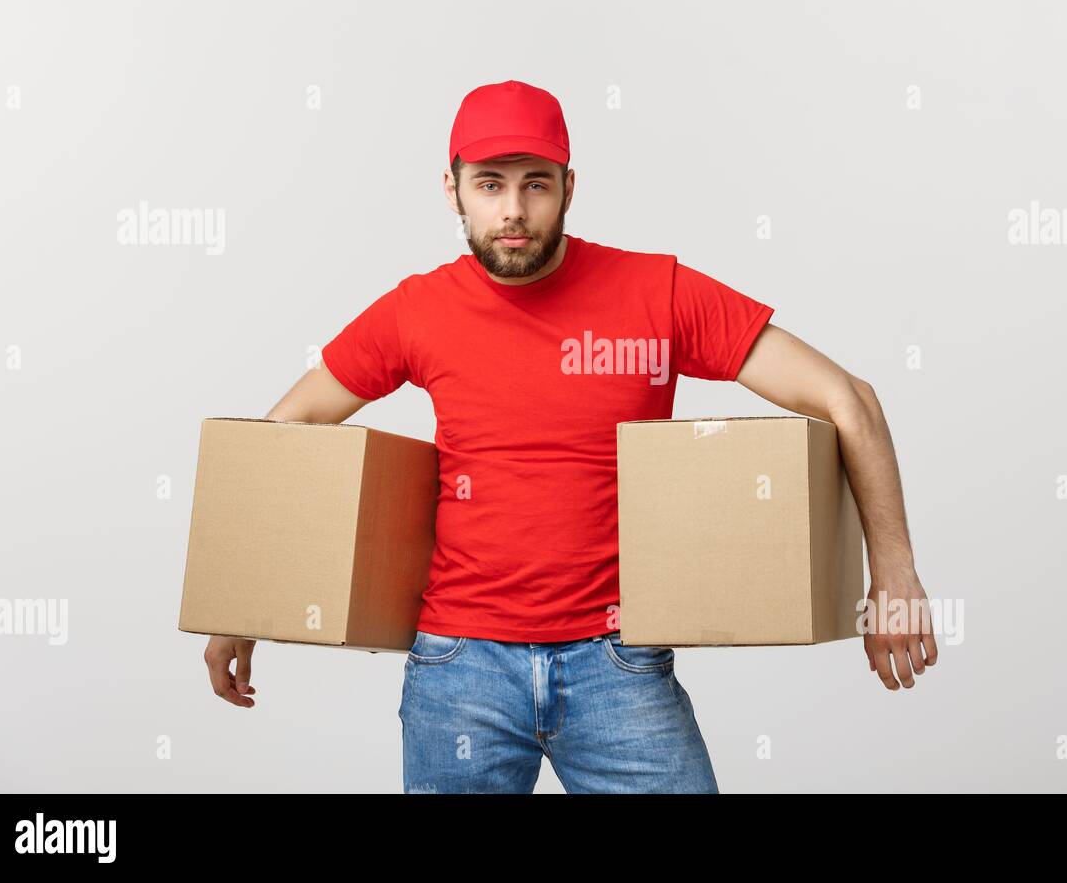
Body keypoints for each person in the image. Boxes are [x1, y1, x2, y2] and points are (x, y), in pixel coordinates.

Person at [203, 79, 937, 793]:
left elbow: (849, 398)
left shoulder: (656, 293)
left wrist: (894, 575)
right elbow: (285, 431)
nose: (513, 210)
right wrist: (241, 601)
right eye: (489, 184)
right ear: (452, 190)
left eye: (536, 184)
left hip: (617, 666)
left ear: (569, 188)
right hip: (459, 671)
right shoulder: (416, 309)